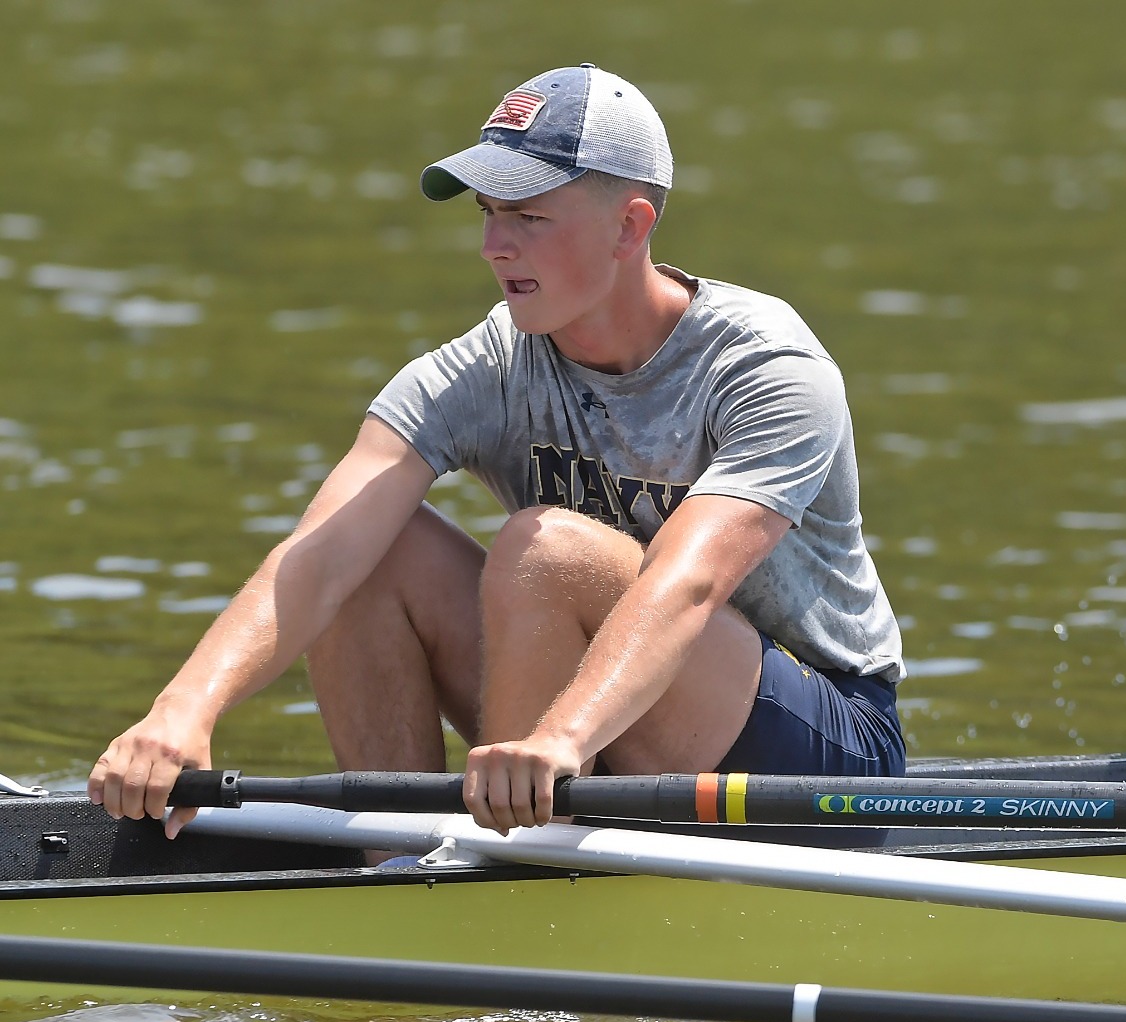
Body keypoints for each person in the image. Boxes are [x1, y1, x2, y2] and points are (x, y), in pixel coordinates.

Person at [91, 64, 905, 837]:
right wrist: (181, 712)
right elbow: (319, 555)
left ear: (630, 226)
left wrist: (560, 737)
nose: (493, 247)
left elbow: (687, 586)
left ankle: (515, 856)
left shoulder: (766, 367)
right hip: (587, 727)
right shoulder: (485, 368)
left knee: (543, 548)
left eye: (529, 217)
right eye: (487, 212)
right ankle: (404, 862)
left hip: (822, 752)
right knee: (378, 545)